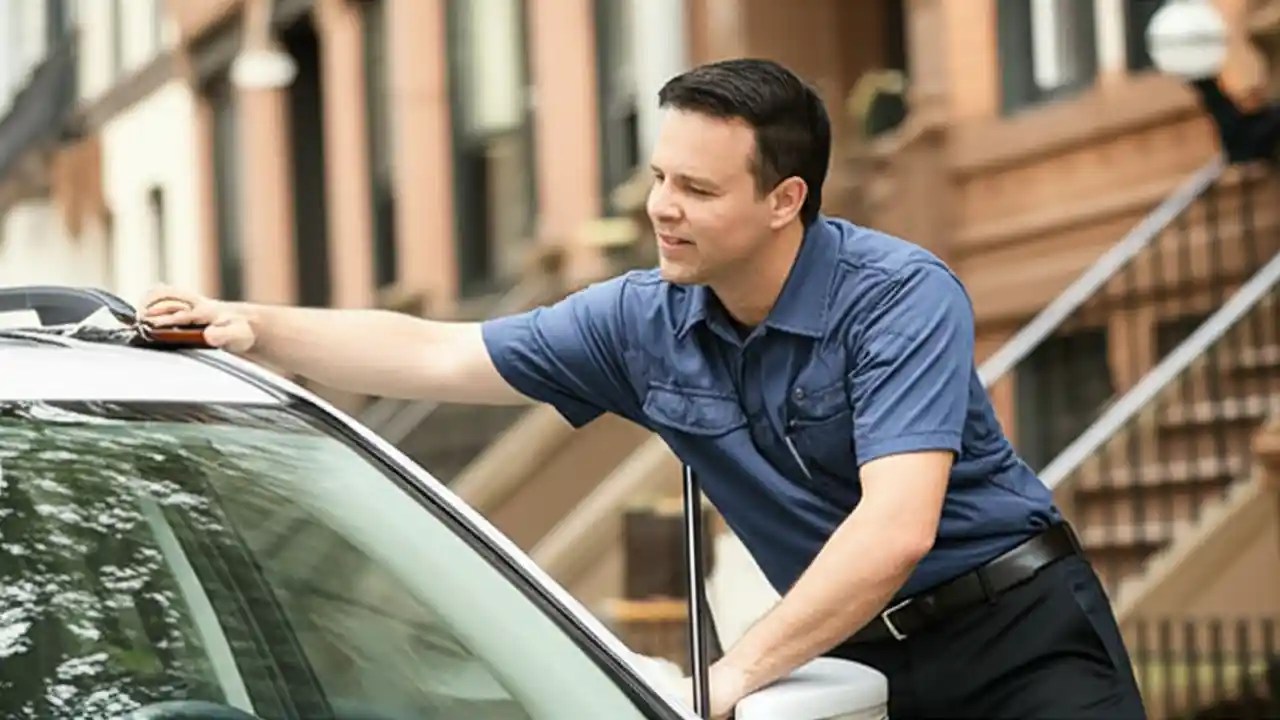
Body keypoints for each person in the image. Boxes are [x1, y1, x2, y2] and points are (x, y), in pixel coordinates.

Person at [143, 58, 1146, 719]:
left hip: (1017, 642)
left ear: (783, 200)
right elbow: (441, 356)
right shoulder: (640, 319)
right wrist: (259, 327)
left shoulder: (895, 297)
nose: (662, 209)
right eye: (660, 176)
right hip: (857, 661)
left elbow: (894, 528)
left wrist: (739, 674)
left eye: (697, 190)